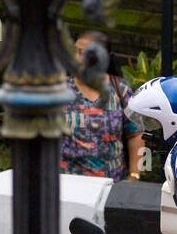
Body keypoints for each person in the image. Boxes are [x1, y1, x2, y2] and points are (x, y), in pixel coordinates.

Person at [59, 30, 143, 180]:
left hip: (111, 187)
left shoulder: (121, 90)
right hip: (66, 185)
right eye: (76, 52)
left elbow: (136, 134)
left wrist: (134, 175)